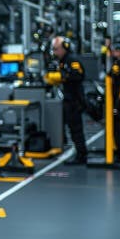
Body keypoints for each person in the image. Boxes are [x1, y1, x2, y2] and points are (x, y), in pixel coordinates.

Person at [51, 36, 88, 164]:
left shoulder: (72, 60)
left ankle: (81, 155)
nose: (55, 52)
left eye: (56, 49)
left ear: (64, 47)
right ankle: (79, 152)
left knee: (76, 129)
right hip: (69, 99)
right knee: (72, 128)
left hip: (75, 100)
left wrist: (63, 77)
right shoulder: (63, 60)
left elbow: (79, 75)